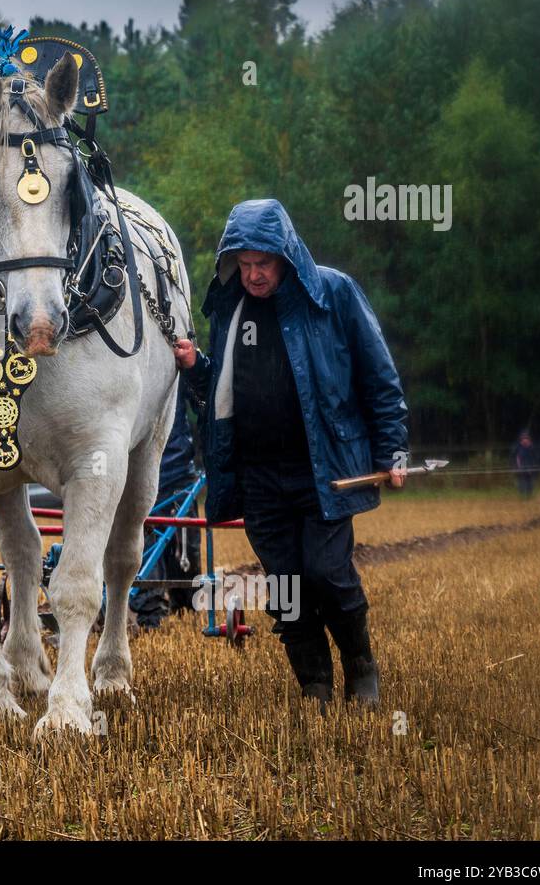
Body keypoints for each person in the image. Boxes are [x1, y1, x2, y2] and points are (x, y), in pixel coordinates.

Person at [174, 198, 408, 707]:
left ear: (287, 255)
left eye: (264, 263)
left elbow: (379, 377)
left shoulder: (333, 293)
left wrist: (393, 448)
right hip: (259, 476)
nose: (254, 275)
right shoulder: (230, 307)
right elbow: (223, 389)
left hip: (322, 469)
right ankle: (315, 684)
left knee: (326, 573)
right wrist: (196, 367)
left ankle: (360, 666)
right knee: (285, 585)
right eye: (246, 264)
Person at [130, 385, 202, 627]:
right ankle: (152, 617)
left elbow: (204, 402)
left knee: (186, 554)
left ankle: (187, 611)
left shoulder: (177, 359)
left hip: (178, 472)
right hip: (138, 477)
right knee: (145, 553)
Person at [511, 430, 535, 497]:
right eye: (523, 438)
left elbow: (534, 458)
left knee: (530, 484)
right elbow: (513, 457)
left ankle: (529, 496)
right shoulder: (517, 447)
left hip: (530, 468)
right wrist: (515, 467)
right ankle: (522, 496)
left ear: (528, 439)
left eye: (526, 438)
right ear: (521, 439)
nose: (525, 440)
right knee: (521, 484)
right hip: (520, 468)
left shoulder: (531, 447)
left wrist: (533, 468)